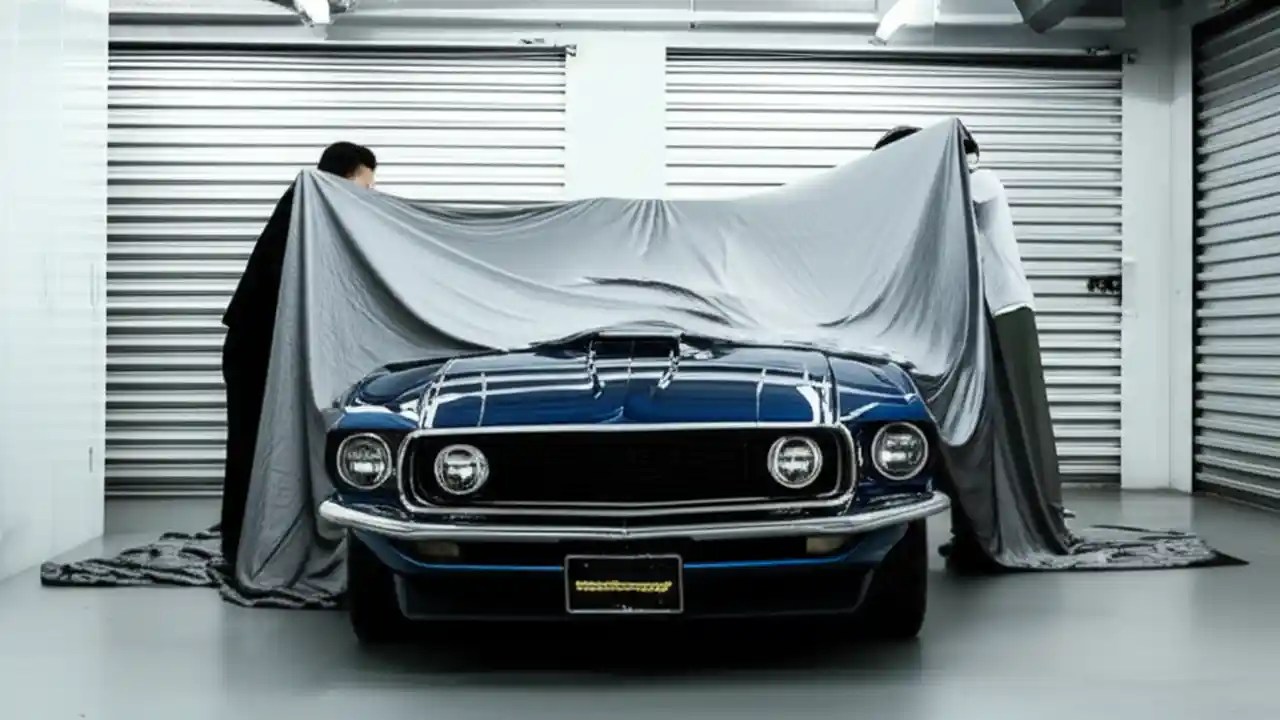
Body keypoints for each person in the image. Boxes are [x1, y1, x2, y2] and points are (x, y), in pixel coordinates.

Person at [872, 124, 1071, 569]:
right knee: (971, 429)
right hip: (970, 319)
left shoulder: (980, 182)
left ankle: (1019, 526)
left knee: (1012, 424)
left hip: (1002, 315)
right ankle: (974, 531)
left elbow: (956, 211)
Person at [218, 141, 377, 572]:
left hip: (257, 345)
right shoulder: (306, 210)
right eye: (364, 188)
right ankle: (238, 548)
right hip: (253, 350)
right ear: (338, 181)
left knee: (256, 448)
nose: (368, 199)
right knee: (250, 448)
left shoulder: (304, 211)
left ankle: (242, 541)